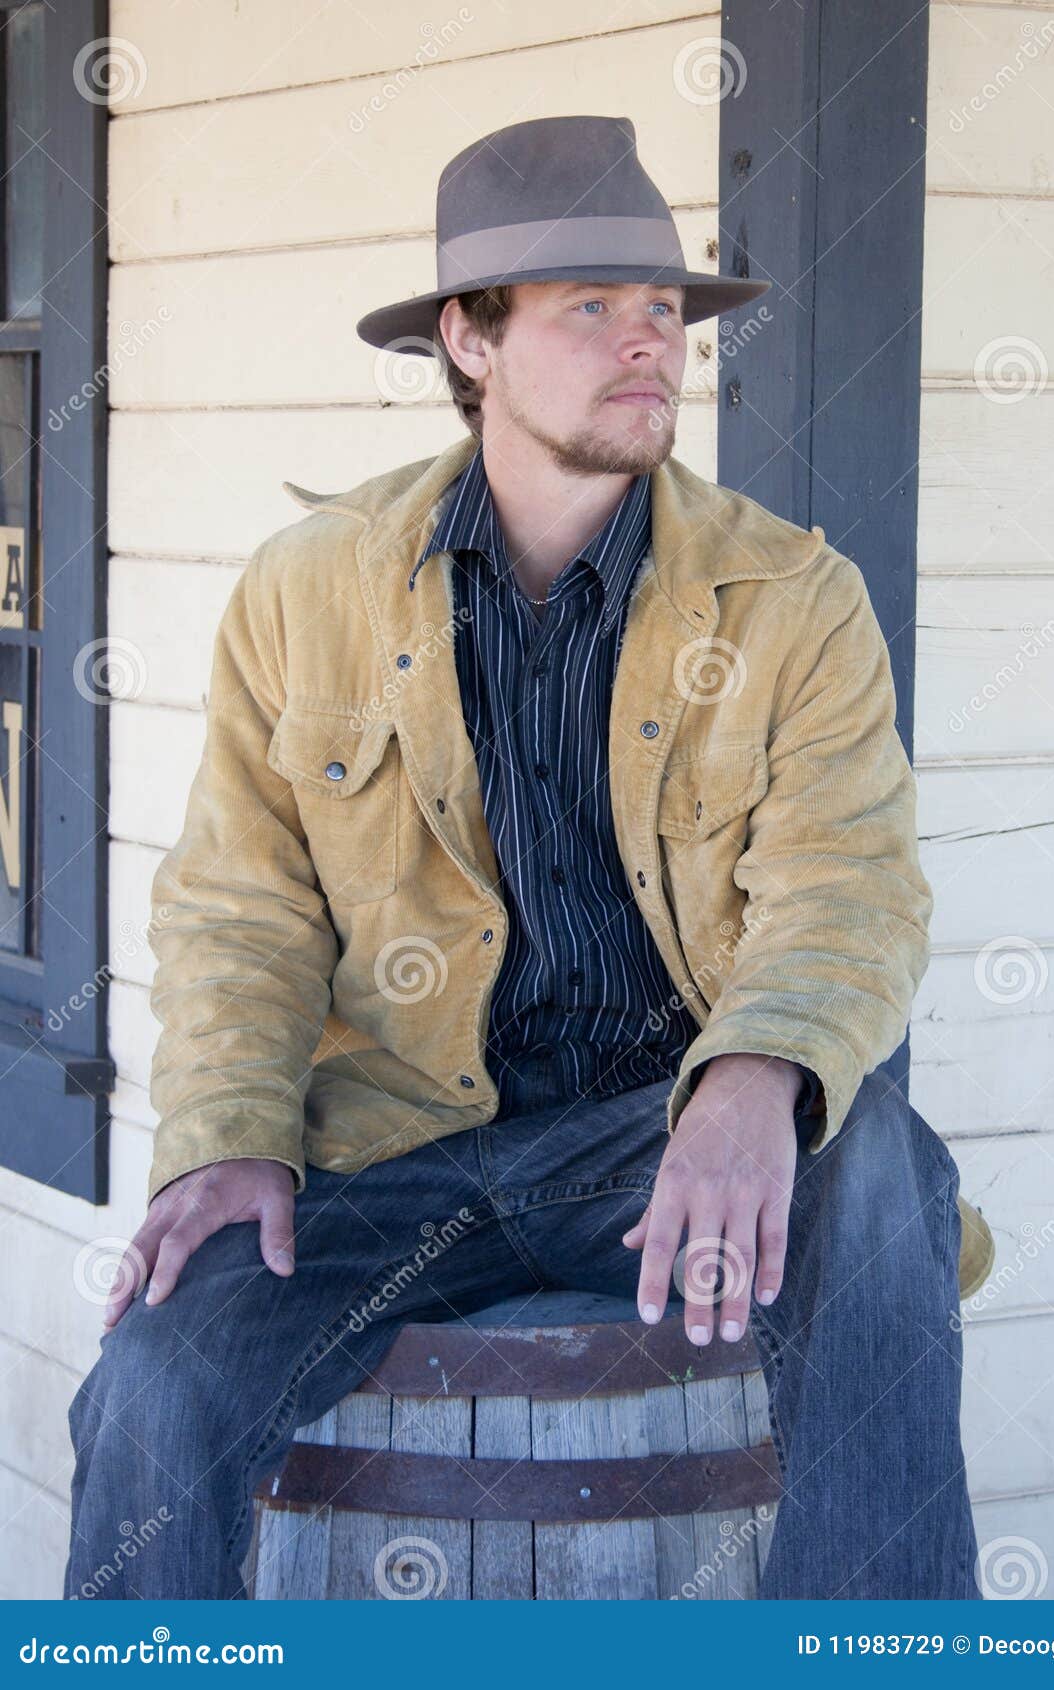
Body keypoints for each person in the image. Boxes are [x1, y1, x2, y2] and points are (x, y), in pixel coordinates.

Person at [64, 114, 994, 1601]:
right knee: (154, 1376)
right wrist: (229, 1127)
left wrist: (757, 1073)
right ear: (469, 339)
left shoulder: (789, 598)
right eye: (590, 308)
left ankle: (879, 1642)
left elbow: (847, 883)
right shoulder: (308, 592)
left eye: (661, 310)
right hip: (393, 1158)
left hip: (654, 1141)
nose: (649, 344)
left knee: (870, 1150)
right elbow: (241, 906)